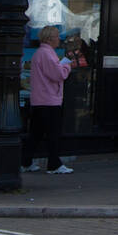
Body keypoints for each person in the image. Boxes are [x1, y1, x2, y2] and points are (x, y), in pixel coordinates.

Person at [21, 26, 73, 174]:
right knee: (53, 134)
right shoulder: (47, 54)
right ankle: (54, 164)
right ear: (50, 39)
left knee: (36, 133)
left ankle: (26, 161)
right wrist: (66, 67)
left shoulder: (40, 53)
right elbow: (57, 75)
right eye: (57, 37)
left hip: (39, 99)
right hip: (49, 99)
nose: (59, 40)